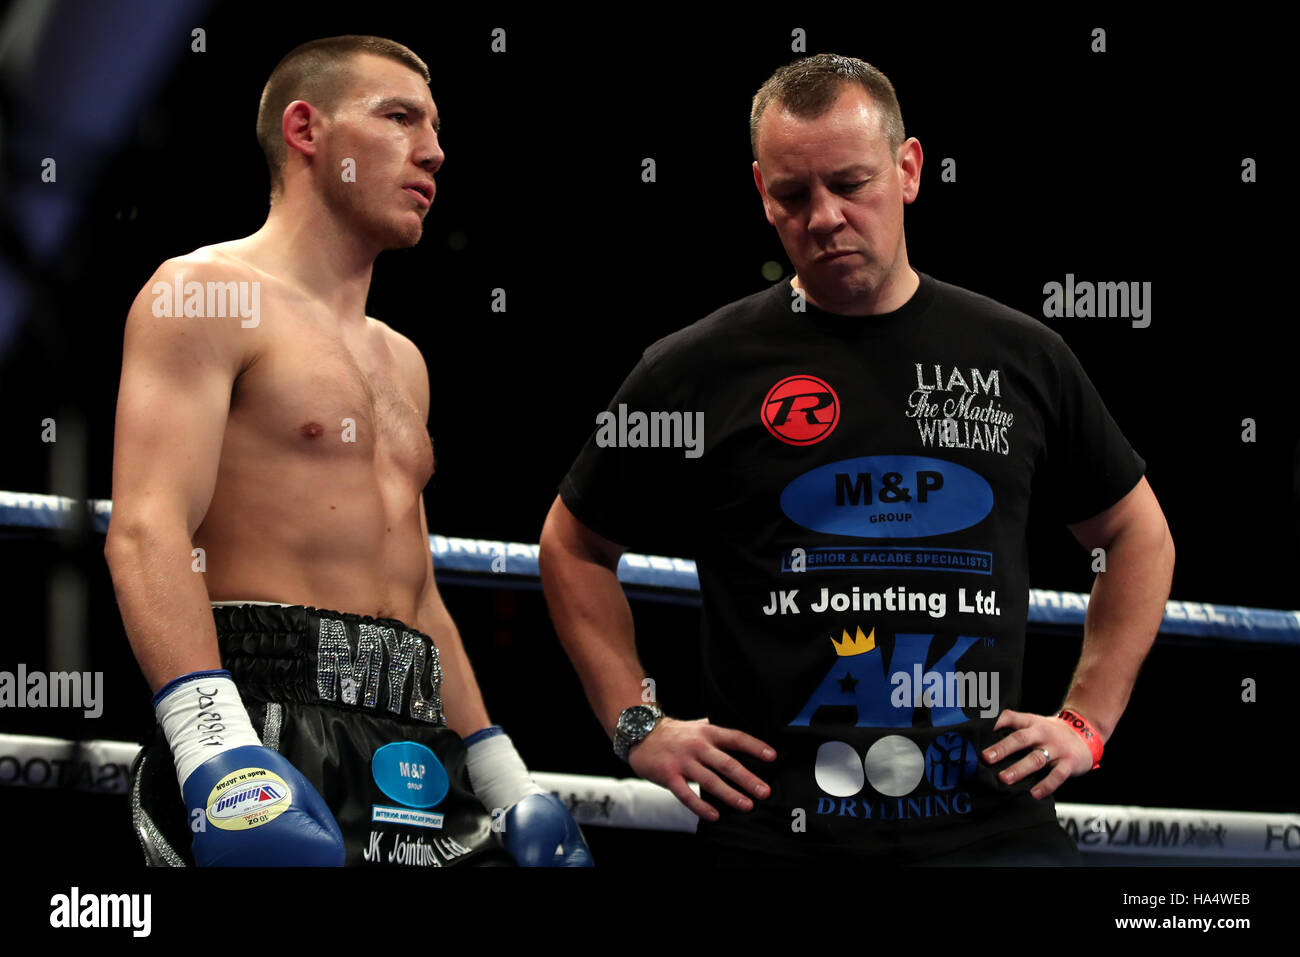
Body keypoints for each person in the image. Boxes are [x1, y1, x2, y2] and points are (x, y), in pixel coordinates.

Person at [538, 53, 1174, 865]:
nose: (826, 216)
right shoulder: (694, 369)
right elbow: (574, 542)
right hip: (774, 830)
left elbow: (1137, 532)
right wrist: (638, 722)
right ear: (760, 193)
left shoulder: (1021, 356)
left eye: (851, 183)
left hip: (988, 826)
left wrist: (1088, 719)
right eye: (793, 195)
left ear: (909, 170)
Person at [106, 35, 590, 867]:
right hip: (259, 706)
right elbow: (148, 529)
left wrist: (504, 773)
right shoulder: (205, 293)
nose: (433, 150)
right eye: (399, 117)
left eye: (435, 127)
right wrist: (212, 746)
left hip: (413, 735)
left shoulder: (402, 360)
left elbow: (418, 591)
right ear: (306, 130)